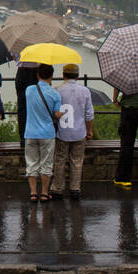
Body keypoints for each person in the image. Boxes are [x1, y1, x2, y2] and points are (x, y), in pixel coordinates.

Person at [50, 64, 94, 199]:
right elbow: (89, 114)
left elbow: (54, 112)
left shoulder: (57, 90)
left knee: (60, 159)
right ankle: (75, 188)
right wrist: (89, 130)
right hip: (79, 131)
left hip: (62, 131)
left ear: (63, 75)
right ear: (78, 76)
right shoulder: (85, 91)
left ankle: (58, 188)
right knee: (77, 160)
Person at [22, 63, 63, 202]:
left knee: (31, 163)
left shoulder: (29, 90)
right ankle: (44, 193)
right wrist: (62, 113)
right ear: (51, 76)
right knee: (46, 164)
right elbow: (56, 114)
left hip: (30, 132)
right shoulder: (55, 94)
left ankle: (33, 193)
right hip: (47, 133)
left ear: (38, 75)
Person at [14, 60, 38, 148]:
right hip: (35, 72)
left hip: (21, 71)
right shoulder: (38, 46)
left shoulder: (18, 45)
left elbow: (14, 57)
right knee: (36, 106)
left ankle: (23, 137)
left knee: (22, 107)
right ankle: (35, 135)